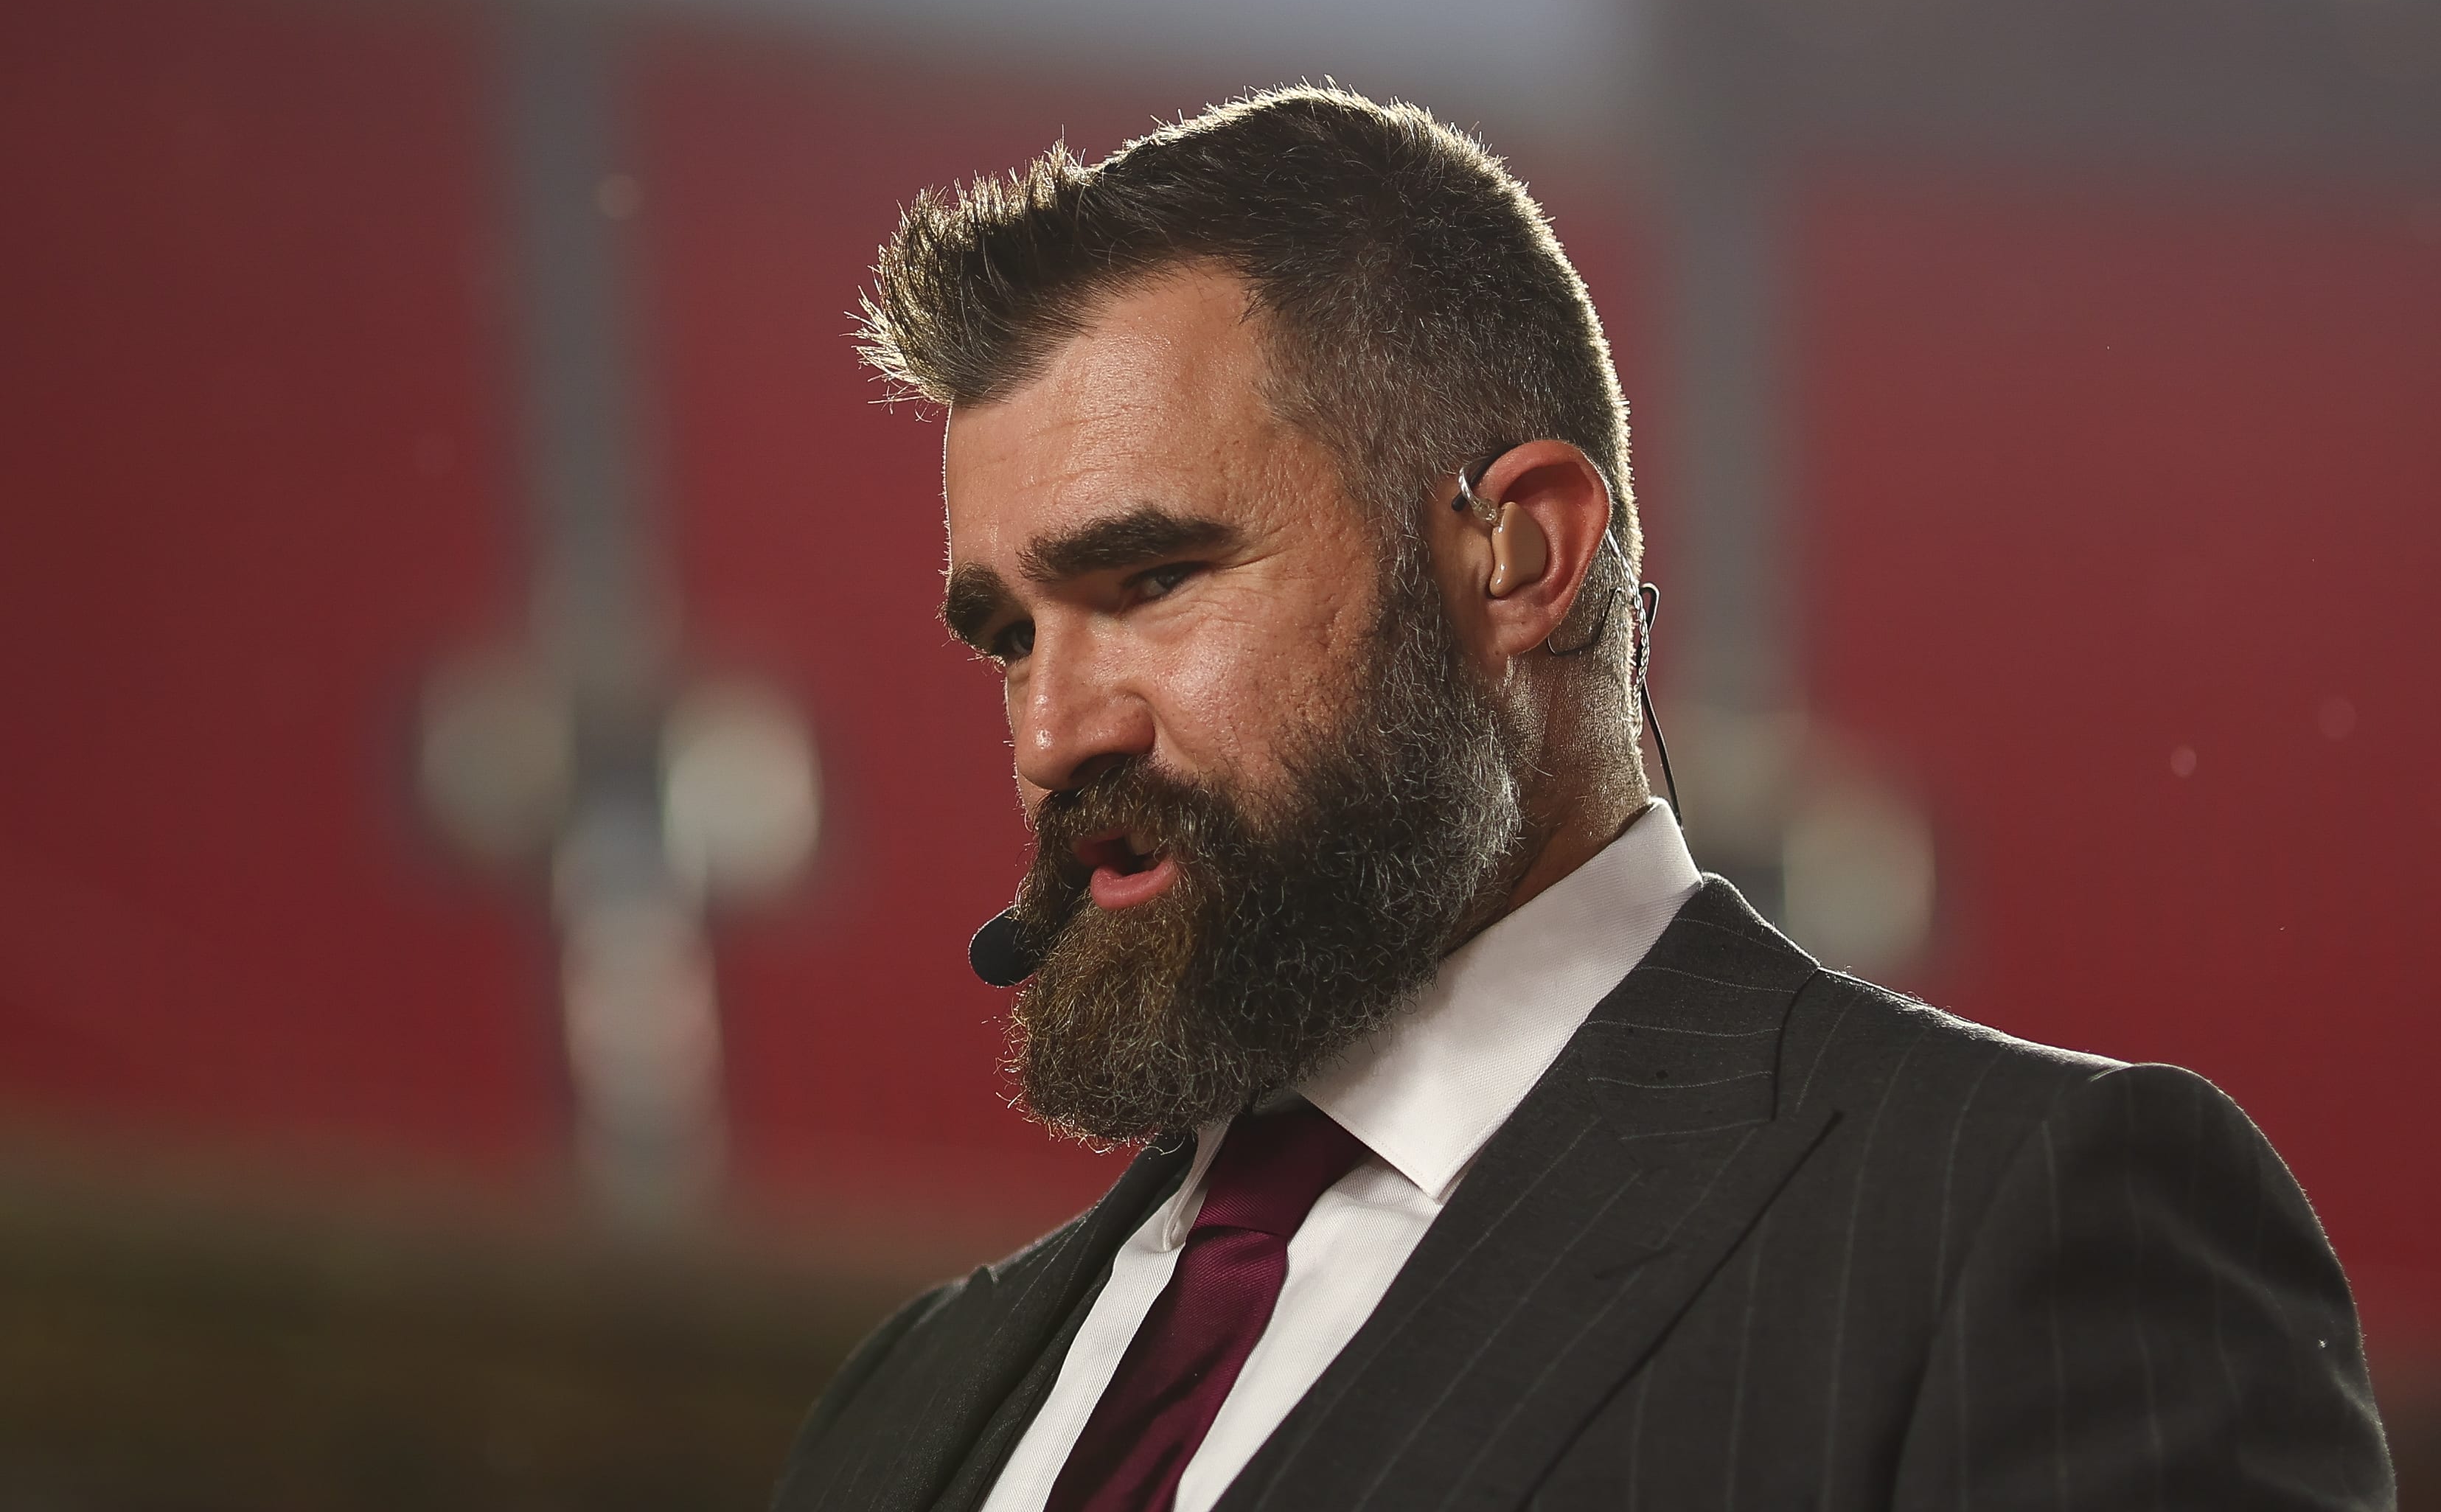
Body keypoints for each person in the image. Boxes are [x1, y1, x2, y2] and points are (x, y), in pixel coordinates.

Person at [772, 86, 2393, 1512]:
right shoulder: (912, 1391)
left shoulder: (2012, 1224)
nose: (1052, 732)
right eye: (1008, 636)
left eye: (1152, 578)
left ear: (1521, 552)